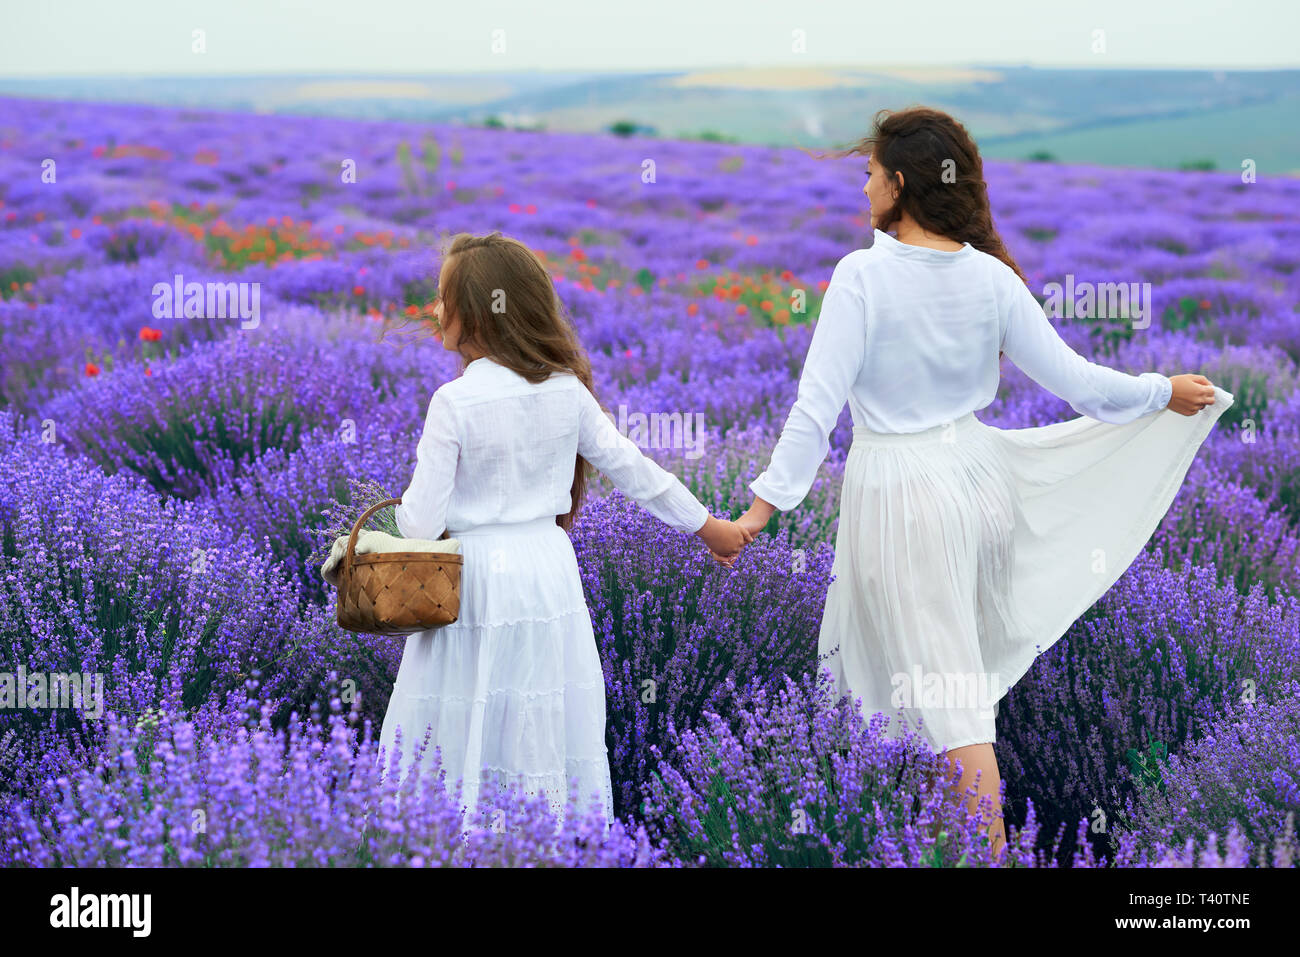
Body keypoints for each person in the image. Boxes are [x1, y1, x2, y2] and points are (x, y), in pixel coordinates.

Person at [734, 106, 1233, 857]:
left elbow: (815, 409)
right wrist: (1161, 390)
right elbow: (1082, 384)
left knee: (947, 708)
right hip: (978, 481)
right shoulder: (990, 277)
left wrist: (758, 512)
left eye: (869, 173)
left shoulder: (863, 275)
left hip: (906, 498)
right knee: (932, 693)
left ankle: (987, 854)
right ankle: (945, 850)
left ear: (900, 183)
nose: (863, 186)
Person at [378, 232, 751, 830]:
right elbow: (635, 469)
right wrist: (709, 527)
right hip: (547, 574)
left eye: (442, 297)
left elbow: (418, 524)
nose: (433, 310)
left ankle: (461, 841)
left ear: (474, 312)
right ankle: (543, 839)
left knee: (466, 719)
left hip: (472, 582)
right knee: (538, 720)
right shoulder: (564, 389)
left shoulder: (454, 401)